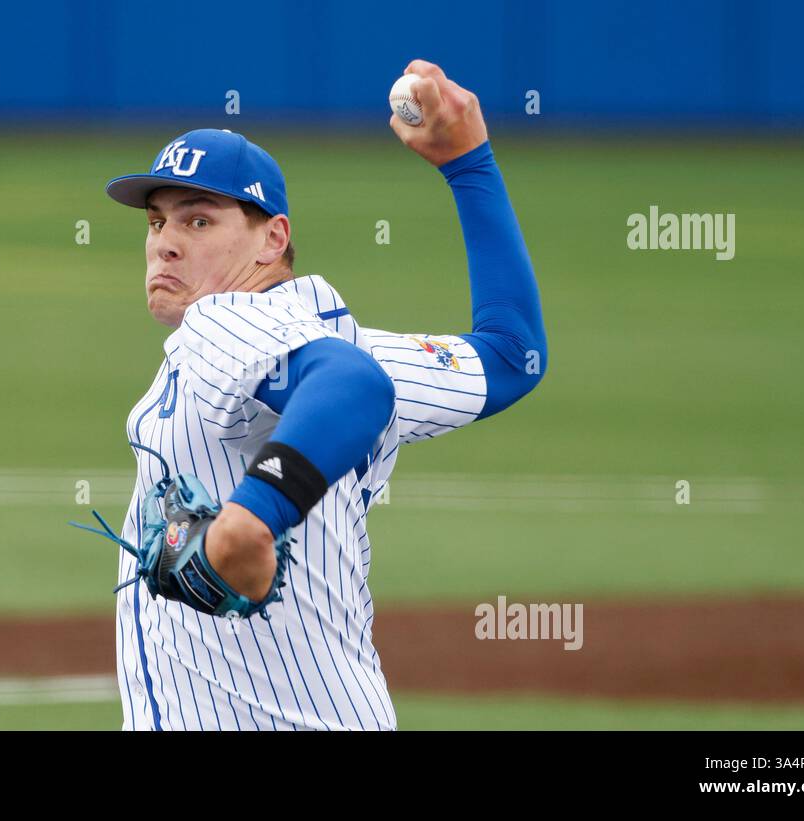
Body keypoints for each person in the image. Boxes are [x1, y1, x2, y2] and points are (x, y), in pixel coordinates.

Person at [97, 59, 547, 730]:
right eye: (156, 222)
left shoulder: (223, 323)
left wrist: (252, 515)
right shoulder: (352, 341)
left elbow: (349, 383)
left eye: (197, 222)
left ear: (272, 238)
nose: (163, 245)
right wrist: (470, 166)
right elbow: (514, 353)